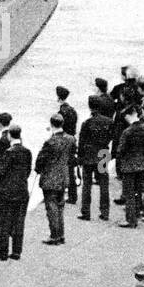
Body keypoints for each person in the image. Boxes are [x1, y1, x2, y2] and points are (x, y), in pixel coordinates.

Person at [0, 126, 32, 260]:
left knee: (5, 222)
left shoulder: (8, 153)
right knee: (19, 222)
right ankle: (16, 251)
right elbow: (28, 170)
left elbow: (2, 172)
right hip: (22, 190)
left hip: (9, 192)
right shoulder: (27, 152)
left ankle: (2, 252)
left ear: (10, 135)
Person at [35, 113, 76, 245]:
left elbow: (41, 159)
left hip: (50, 178)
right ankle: (61, 234)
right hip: (63, 176)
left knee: (51, 207)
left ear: (51, 124)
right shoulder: (70, 139)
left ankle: (54, 235)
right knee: (60, 206)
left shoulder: (50, 142)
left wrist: (38, 169)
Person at [114, 106, 144, 228]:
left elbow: (120, 150)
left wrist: (120, 165)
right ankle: (137, 213)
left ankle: (130, 220)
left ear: (129, 116)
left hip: (129, 165)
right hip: (142, 164)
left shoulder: (127, 131)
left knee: (129, 193)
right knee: (138, 192)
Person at [76, 99, 113, 221]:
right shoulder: (109, 122)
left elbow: (81, 143)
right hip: (103, 153)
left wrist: (80, 158)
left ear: (90, 108)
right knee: (104, 183)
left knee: (87, 184)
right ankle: (105, 212)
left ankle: (86, 212)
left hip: (89, 155)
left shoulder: (87, 123)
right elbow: (112, 137)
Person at [55, 86, 80, 203]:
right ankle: (72, 194)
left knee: (61, 168)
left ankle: (60, 194)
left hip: (63, 142)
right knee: (70, 169)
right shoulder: (73, 111)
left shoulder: (60, 113)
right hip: (72, 141)